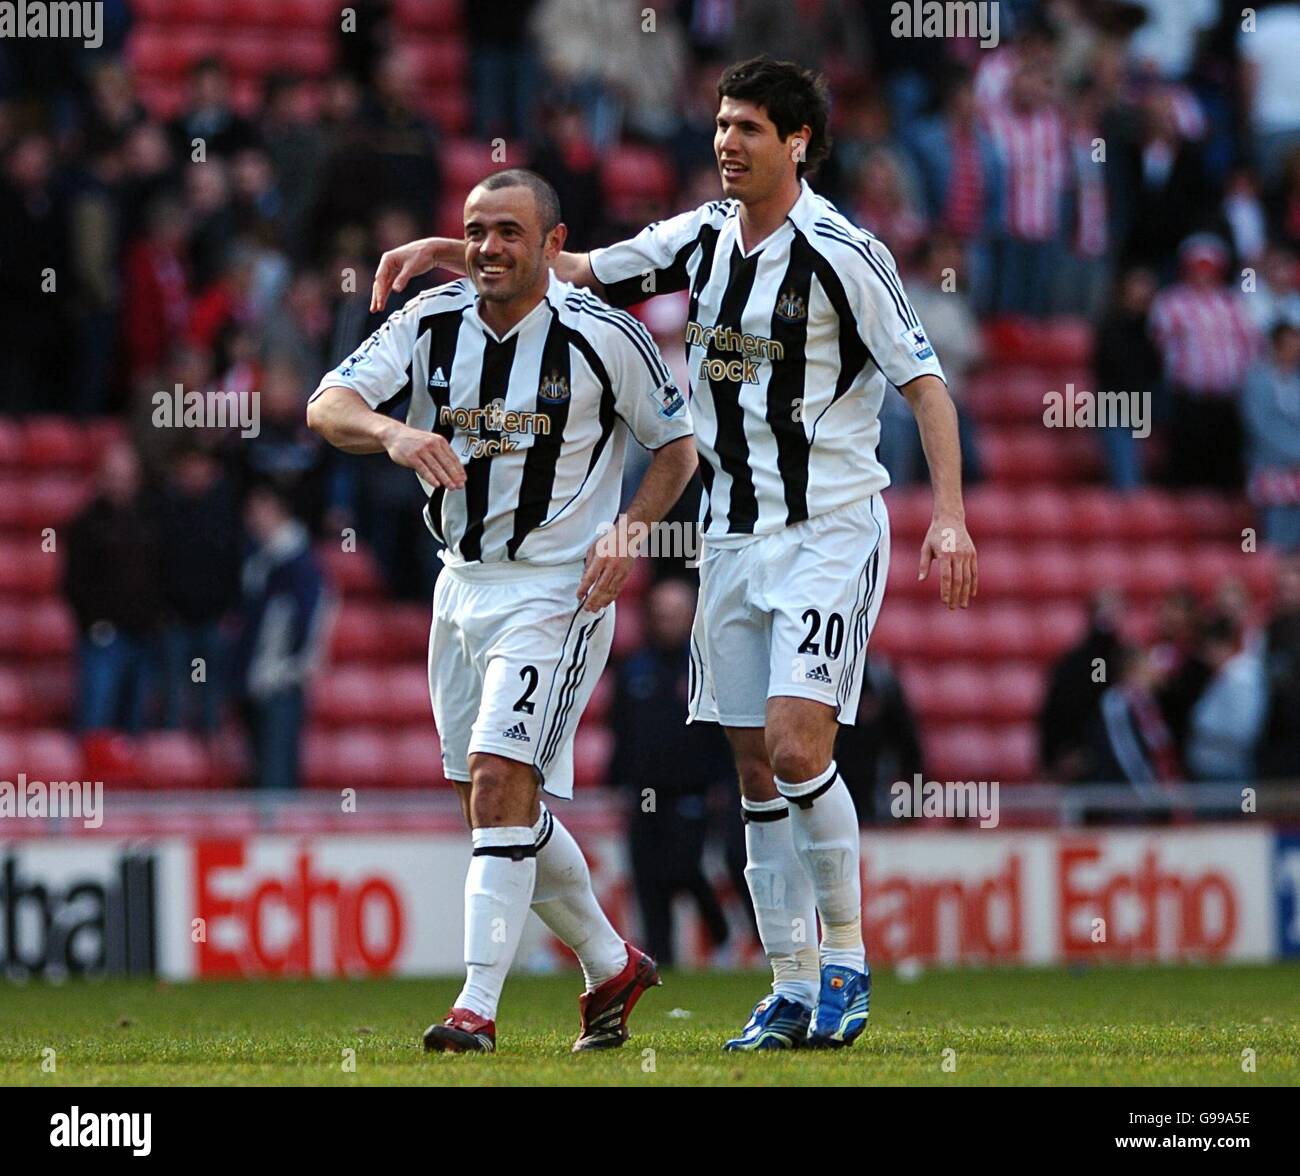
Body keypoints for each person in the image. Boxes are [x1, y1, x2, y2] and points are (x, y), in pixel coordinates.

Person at [371, 57, 977, 1051]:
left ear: (797, 142)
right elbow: (572, 269)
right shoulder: (698, 238)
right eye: (721, 124)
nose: (726, 141)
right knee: (747, 770)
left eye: (747, 127)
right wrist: (457, 249)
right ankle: (785, 985)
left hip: (827, 529)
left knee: (794, 747)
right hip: (730, 536)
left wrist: (947, 515)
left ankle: (848, 960)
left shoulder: (843, 253)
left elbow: (926, 385)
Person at [309, 170, 697, 1054]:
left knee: (496, 783)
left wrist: (630, 531)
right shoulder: (433, 320)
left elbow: (675, 448)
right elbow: (326, 404)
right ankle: (612, 963)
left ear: (553, 246)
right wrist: (394, 432)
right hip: (460, 584)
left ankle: (475, 1008)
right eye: (476, 229)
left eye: (509, 232)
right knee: (492, 805)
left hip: (559, 587)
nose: (487, 247)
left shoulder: (607, 337)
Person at [610, 578, 734, 966]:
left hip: (693, 793)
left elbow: (724, 732)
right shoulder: (632, 670)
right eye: (661, 613)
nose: (667, 621)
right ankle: (660, 961)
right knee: (648, 879)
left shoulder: (705, 668)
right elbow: (623, 732)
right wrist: (618, 781)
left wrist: (723, 782)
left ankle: (721, 934)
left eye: (676, 614)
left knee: (683, 868)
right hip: (645, 795)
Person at [234, 484, 329, 791]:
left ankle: (278, 832)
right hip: (259, 677)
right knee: (263, 765)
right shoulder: (262, 560)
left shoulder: (297, 563)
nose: (252, 520)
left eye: (258, 511)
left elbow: (305, 620)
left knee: (276, 771)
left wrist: (291, 666)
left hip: (280, 680)